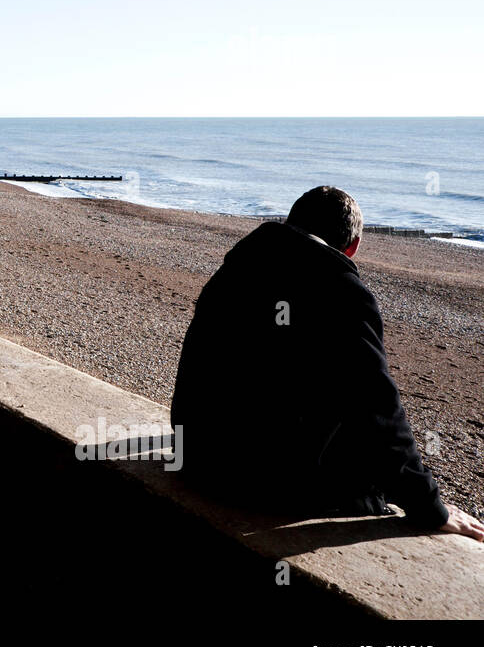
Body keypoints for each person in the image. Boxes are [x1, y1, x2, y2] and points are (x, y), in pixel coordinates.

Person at [171, 185, 483, 540]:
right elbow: (378, 408)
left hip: (196, 459)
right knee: (368, 475)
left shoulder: (239, 264)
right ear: (353, 246)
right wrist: (430, 506)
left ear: (291, 223)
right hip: (254, 485)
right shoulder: (341, 290)